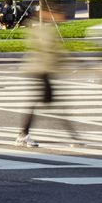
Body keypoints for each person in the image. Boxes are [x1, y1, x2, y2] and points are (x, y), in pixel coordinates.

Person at [17, 11, 74, 147]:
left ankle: (23, 134)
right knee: (48, 102)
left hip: (40, 70)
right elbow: (52, 51)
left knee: (47, 101)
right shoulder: (44, 30)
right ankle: (23, 134)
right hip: (40, 70)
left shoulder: (43, 28)